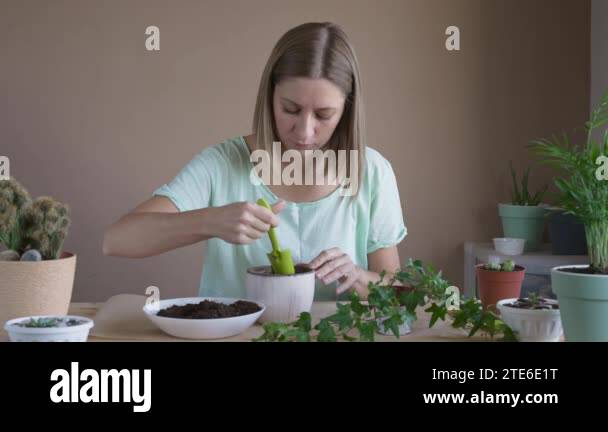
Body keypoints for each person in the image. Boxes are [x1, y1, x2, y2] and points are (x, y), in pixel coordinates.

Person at [103, 22, 407, 301]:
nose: (304, 131)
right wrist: (209, 221)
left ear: (347, 111)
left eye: (324, 115)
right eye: (290, 109)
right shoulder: (221, 165)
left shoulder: (372, 172)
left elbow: (396, 290)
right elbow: (117, 240)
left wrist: (359, 278)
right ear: (270, 97)